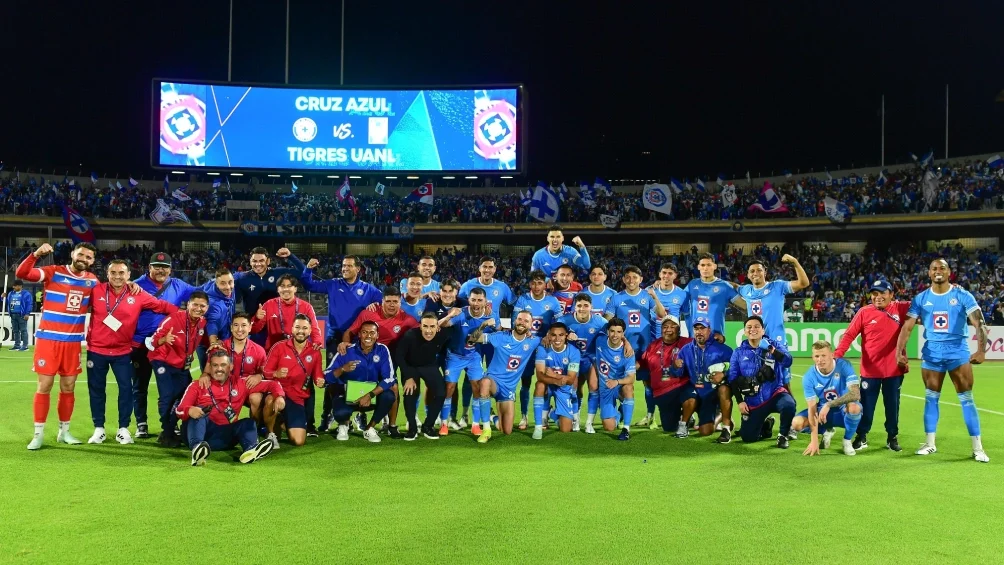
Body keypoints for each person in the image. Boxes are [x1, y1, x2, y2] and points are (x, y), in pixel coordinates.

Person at [896, 258, 989, 463]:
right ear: (929, 273)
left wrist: (981, 351)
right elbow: (907, 327)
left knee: (966, 399)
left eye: (942, 268)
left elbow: (979, 323)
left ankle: (978, 448)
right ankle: (929, 443)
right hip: (932, 354)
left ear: (949, 273)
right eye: (934, 268)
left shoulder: (962, 295)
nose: (938, 271)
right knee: (931, 398)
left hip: (957, 352)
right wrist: (899, 351)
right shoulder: (921, 298)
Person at [18, 243, 101, 450]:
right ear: (73, 254)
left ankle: (64, 432)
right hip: (48, 341)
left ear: (92, 261)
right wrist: (36, 254)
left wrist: (130, 285)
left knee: (68, 387)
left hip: (72, 343)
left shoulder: (92, 281)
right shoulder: (53, 272)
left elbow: (107, 299)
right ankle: (38, 435)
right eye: (81, 254)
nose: (84, 259)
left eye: (88, 257)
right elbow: (22, 273)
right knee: (44, 386)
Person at [86, 259, 177, 445]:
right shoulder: (96, 290)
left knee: (126, 390)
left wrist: (183, 316)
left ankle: (123, 429)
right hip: (96, 350)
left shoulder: (138, 293)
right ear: (107, 274)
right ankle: (99, 428)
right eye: (113, 273)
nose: (117, 276)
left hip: (122, 351)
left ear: (128, 275)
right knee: (96, 390)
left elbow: (162, 306)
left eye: (122, 273)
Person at [301, 255, 382, 433]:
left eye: (349, 266)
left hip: (358, 339)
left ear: (358, 269)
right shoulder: (333, 284)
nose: (344, 268)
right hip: (335, 338)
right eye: (343, 266)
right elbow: (309, 285)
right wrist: (308, 269)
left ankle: (360, 414)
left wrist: (376, 305)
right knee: (333, 377)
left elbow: (387, 303)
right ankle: (327, 415)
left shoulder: (369, 290)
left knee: (361, 376)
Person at [130, 251, 200, 439]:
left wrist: (223, 283)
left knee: (172, 390)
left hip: (168, 347)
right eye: (157, 266)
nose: (161, 270)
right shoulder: (136, 285)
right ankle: (141, 423)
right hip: (141, 344)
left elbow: (201, 294)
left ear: (171, 269)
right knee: (140, 386)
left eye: (165, 267)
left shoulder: (179, 285)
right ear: (149, 268)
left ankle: (171, 423)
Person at [834, 279, 910, 452]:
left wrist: (951, 288)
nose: (878, 297)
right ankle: (862, 436)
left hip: (894, 370)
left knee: (893, 406)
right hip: (870, 371)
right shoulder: (864, 312)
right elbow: (849, 335)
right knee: (866, 406)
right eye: (875, 293)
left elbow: (925, 301)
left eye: (883, 293)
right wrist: (837, 356)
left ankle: (892, 437)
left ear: (891, 294)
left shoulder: (901, 308)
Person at [337, 287, 419, 437]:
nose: (392, 305)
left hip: (388, 361)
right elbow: (349, 331)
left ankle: (392, 426)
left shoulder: (407, 320)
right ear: (382, 302)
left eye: (395, 301)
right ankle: (346, 420)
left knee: (393, 388)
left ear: (400, 302)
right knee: (348, 386)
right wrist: (345, 344)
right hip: (364, 359)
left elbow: (422, 332)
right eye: (388, 301)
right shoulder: (368, 314)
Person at [176, 350, 281, 466]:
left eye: (223, 365)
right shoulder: (197, 385)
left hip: (225, 437)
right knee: (200, 411)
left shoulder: (240, 383)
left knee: (248, 422)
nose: (219, 369)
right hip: (201, 434)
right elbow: (179, 410)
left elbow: (273, 384)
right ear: (210, 368)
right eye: (215, 365)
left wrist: (279, 397)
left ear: (230, 367)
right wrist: (189, 410)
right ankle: (197, 450)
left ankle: (250, 450)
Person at [603, 265, 666, 429]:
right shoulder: (616, 298)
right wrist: (622, 339)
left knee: (648, 384)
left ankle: (650, 416)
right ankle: (622, 412)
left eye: (635, 277)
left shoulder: (647, 296)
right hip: (622, 349)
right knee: (622, 384)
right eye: (628, 277)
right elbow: (607, 321)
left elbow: (662, 314)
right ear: (623, 279)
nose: (631, 280)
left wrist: (655, 297)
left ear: (641, 279)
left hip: (644, 350)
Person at [148, 291, 210, 447]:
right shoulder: (173, 319)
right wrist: (164, 339)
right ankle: (167, 433)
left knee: (185, 396)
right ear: (188, 304)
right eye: (195, 304)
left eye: (202, 306)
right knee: (167, 395)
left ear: (207, 308)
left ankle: (175, 429)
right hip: (162, 360)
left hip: (181, 364)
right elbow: (153, 341)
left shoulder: (202, 323)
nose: (198, 308)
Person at [727, 315, 795, 448]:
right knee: (748, 438)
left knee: (789, 404)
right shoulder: (738, 352)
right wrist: (740, 401)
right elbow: (733, 378)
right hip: (753, 400)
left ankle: (783, 436)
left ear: (763, 330)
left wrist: (772, 350)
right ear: (745, 331)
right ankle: (766, 425)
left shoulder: (774, 345)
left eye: (757, 327)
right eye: (749, 327)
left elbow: (788, 361)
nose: (753, 329)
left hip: (775, 393)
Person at [203, 313, 271, 445]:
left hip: (247, 388)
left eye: (244, 325)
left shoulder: (258, 350)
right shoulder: (221, 348)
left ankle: (253, 430)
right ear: (231, 327)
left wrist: (259, 376)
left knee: (256, 398)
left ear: (250, 327)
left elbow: (265, 372)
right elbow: (207, 371)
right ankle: (220, 430)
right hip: (226, 389)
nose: (240, 329)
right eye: (236, 325)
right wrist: (205, 375)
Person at [438, 288, 499, 435]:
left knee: (477, 388)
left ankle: (475, 425)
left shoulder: (491, 315)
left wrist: (495, 325)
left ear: (485, 302)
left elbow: (501, 330)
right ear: (469, 300)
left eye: (479, 300)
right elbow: (441, 325)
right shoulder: (461, 313)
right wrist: (450, 315)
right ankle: (444, 423)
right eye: (473, 300)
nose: (476, 303)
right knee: (449, 388)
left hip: (473, 356)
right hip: (455, 355)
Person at [324, 320, 397, 443]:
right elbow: (326, 376)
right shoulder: (346, 351)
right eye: (364, 332)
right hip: (348, 396)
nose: (368, 336)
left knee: (389, 396)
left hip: (371, 397)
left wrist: (369, 395)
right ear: (359, 334)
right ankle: (344, 424)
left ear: (377, 335)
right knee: (341, 412)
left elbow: (389, 378)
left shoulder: (382, 350)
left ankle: (369, 428)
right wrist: (342, 369)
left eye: (372, 333)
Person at [472, 311, 539, 442]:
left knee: (506, 430)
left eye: (526, 321)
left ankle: (492, 416)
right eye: (519, 319)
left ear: (531, 325)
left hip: (508, 390)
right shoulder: (501, 336)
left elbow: (551, 340)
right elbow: (473, 339)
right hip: (493, 382)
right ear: (514, 320)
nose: (522, 323)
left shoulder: (533, 341)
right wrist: (483, 325)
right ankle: (486, 429)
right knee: (485, 382)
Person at [262, 314, 326, 446]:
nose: (300, 331)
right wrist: (276, 373)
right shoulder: (279, 347)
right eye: (297, 327)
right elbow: (266, 372)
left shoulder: (314, 352)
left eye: (304, 328)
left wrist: (320, 381)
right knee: (270, 400)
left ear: (310, 330)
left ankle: (280, 420)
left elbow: (318, 376)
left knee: (299, 441)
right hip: (278, 393)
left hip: (297, 398)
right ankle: (270, 433)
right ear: (292, 329)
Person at [511, 270, 563, 429]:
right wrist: (523, 330)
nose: (536, 286)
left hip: (545, 348)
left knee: (545, 382)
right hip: (526, 348)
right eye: (533, 283)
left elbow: (560, 323)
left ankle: (545, 416)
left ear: (545, 284)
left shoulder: (552, 301)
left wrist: (549, 334)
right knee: (525, 383)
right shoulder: (522, 299)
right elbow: (514, 321)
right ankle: (524, 416)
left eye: (540, 283)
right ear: (529, 284)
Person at [792, 341, 862, 457]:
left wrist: (829, 404)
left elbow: (855, 394)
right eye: (817, 356)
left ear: (832, 355)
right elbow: (812, 409)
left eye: (823, 355)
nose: (820, 360)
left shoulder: (844, 365)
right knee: (797, 423)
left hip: (842, 410)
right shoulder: (809, 377)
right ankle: (826, 431)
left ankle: (847, 440)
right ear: (812, 357)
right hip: (823, 413)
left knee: (854, 408)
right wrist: (814, 440)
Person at [671, 316, 734, 441]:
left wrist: (724, 374)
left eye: (702, 328)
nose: (699, 332)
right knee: (689, 397)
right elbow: (677, 374)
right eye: (696, 329)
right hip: (694, 390)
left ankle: (721, 415)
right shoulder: (686, 350)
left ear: (709, 330)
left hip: (711, 393)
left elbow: (736, 369)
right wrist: (675, 367)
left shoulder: (723, 349)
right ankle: (683, 425)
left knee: (705, 431)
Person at [395, 313, 451, 440]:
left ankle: (428, 426)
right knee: (410, 393)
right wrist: (408, 376)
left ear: (437, 327)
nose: (428, 330)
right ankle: (412, 429)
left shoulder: (443, 335)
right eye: (425, 326)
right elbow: (399, 356)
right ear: (420, 326)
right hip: (410, 367)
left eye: (432, 326)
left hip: (429, 366)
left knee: (441, 393)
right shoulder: (410, 335)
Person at [236, 246, 306, 346]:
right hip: (256, 328)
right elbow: (235, 299)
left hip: (277, 327)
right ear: (250, 262)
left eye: (261, 260)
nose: (258, 264)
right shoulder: (242, 278)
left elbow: (303, 273)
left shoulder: (278, 273)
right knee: (257, 355)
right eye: (254, 261)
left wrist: (290, 256)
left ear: (268, 261)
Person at [558, 293, 608, 432]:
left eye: (586, 305)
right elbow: (553, 335)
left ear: (591, 307)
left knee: (593, 387)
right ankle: (576, 420)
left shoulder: (601, 322)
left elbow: (614, 334)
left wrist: (626, 343)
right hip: (573, 360)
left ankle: (589, 423)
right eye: (579, 305)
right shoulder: (564, 321)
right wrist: (566, 335)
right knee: (573, 389)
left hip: (591, 359)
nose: (582, 308)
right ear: (574, 306)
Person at [738, 255, 809, 345]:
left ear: (765, 272)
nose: (755, 273)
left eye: (759, 270)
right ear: (748, 275)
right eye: (752, 271)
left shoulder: (777, 286)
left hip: (777, 344)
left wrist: (795, 262)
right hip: (756, 344)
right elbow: (732, 286)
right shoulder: (746, 290)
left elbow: (803, 283)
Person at [640, 317, 692, 437]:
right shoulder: (653, 345)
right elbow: (642, 363)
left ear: (679, 329)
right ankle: (683, 416)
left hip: (682, 386)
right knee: (669, 428)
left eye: (672, 326)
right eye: (665, 327)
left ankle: (688, 417)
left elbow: (703, 343)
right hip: (663, 393)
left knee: (692, 394)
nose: (668, 329)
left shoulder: (687, 343)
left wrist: (718, 338)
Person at [586, 318, 637, 440]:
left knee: (629, 388)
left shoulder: (628, 352)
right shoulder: (600, 340)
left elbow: (631, 378)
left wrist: (617, 382)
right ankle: (620, 413)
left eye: (619, 332)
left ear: (623, 333)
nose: (615, 335)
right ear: (607, 331)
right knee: (609, 427)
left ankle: (626, 429)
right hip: (606, 388)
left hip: (619, 385)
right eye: (612, 331)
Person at [532, 323, 580, 439]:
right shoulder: (542, 349)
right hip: (548, 385)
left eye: (561, 335)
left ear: (566, 335)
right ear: (549, 335)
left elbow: (571, 379)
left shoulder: (574, 352)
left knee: (566, 429)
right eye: (553, 335)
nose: (557, 339)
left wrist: (554, 375)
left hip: (563, 388)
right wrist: (557, 380)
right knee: (539, 385)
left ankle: (551, 413)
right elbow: (540, 376)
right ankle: (538, 427)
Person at [250, 274, 322, 350]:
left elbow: (313, 328)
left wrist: (317, 341)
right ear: (278, 289)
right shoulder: (269, 305)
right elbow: (254, 329)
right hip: (274, 350)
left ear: (295, 289)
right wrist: (256, 318)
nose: (286, 289)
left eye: (289, 286)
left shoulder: (306, 307)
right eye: (282, 286)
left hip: (298, 350)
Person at [685, 253, 745, 342]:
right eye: (703, 265)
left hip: (716, 338)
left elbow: (745, 305)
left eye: (709, 265)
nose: (705, 268)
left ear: (715, 266)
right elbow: (678, 299)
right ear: (698, 267)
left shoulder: (724, 287)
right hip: (694, 338)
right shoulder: (692, 284)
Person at [199, 267, 240, 371]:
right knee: (212, 373)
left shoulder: (229, 289)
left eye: (230, 282)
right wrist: (214, 342)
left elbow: (238, 276)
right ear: (216, 284)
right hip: (207, 342)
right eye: (223, 283)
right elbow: (212, 322)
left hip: (225, 338)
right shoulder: (214, 303)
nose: (228, 287)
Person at [5, 279, 32, 351]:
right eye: (14, 286)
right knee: (15, 331)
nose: (14, 287)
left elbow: (29, 304)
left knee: (23, 330)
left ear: (21, 286)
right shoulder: (10, 293)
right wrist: (2, 297)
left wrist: (27, 313)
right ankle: (17, 345)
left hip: (21, 315)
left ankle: (25, 346)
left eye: (16, 286)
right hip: (13, 314)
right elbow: (6, 302)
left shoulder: (26, 294)